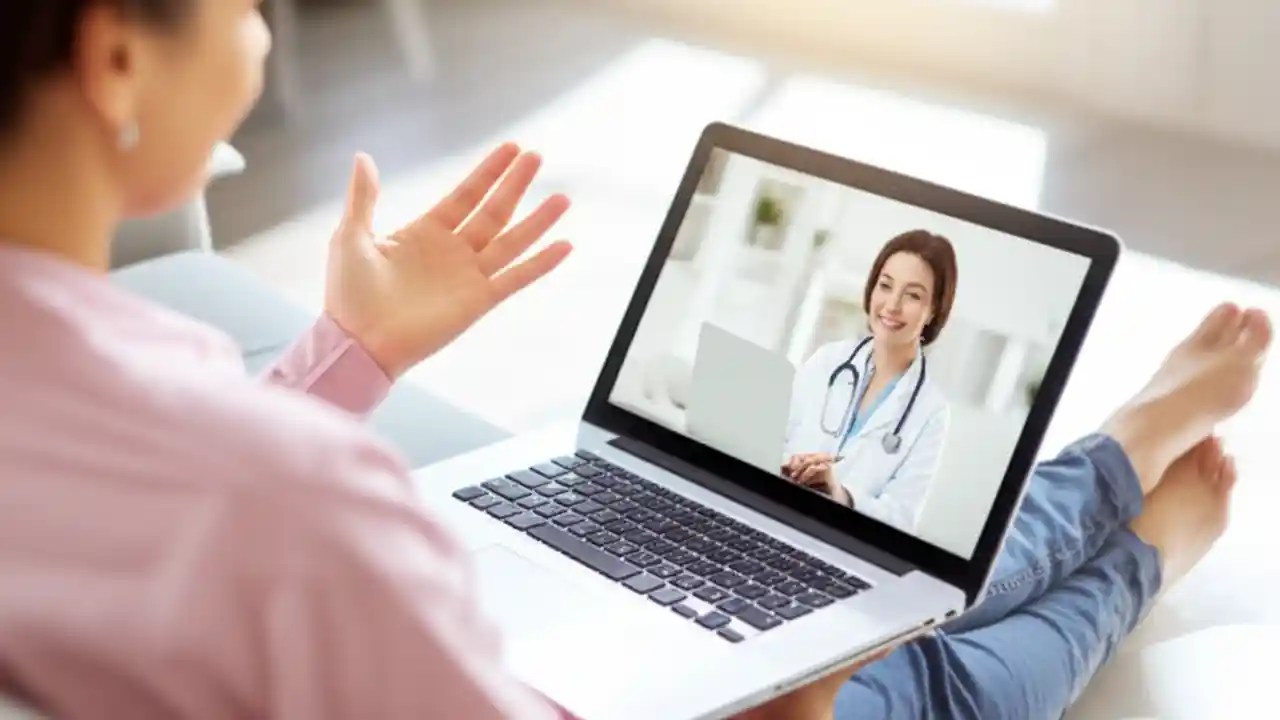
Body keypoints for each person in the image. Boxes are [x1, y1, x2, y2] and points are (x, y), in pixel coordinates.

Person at [0, 2, 1270, 720]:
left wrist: (353, 353)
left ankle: (1122, 453)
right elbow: (250, 509)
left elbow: (183, 511)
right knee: (911, 665)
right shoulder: (293, 501)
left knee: (880, 587)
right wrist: (770, 696)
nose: (264, 21)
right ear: (116, 58)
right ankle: (1139, 542)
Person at [782, 230, 958, 532]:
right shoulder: (828, 361)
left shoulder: (932, 411)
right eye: (885, 286)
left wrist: (841, 494)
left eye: (913, 295)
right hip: (779, 511)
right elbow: (773, 439)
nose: (892, 304)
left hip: (841, 543)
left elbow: (902, 518)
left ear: (934, 310)